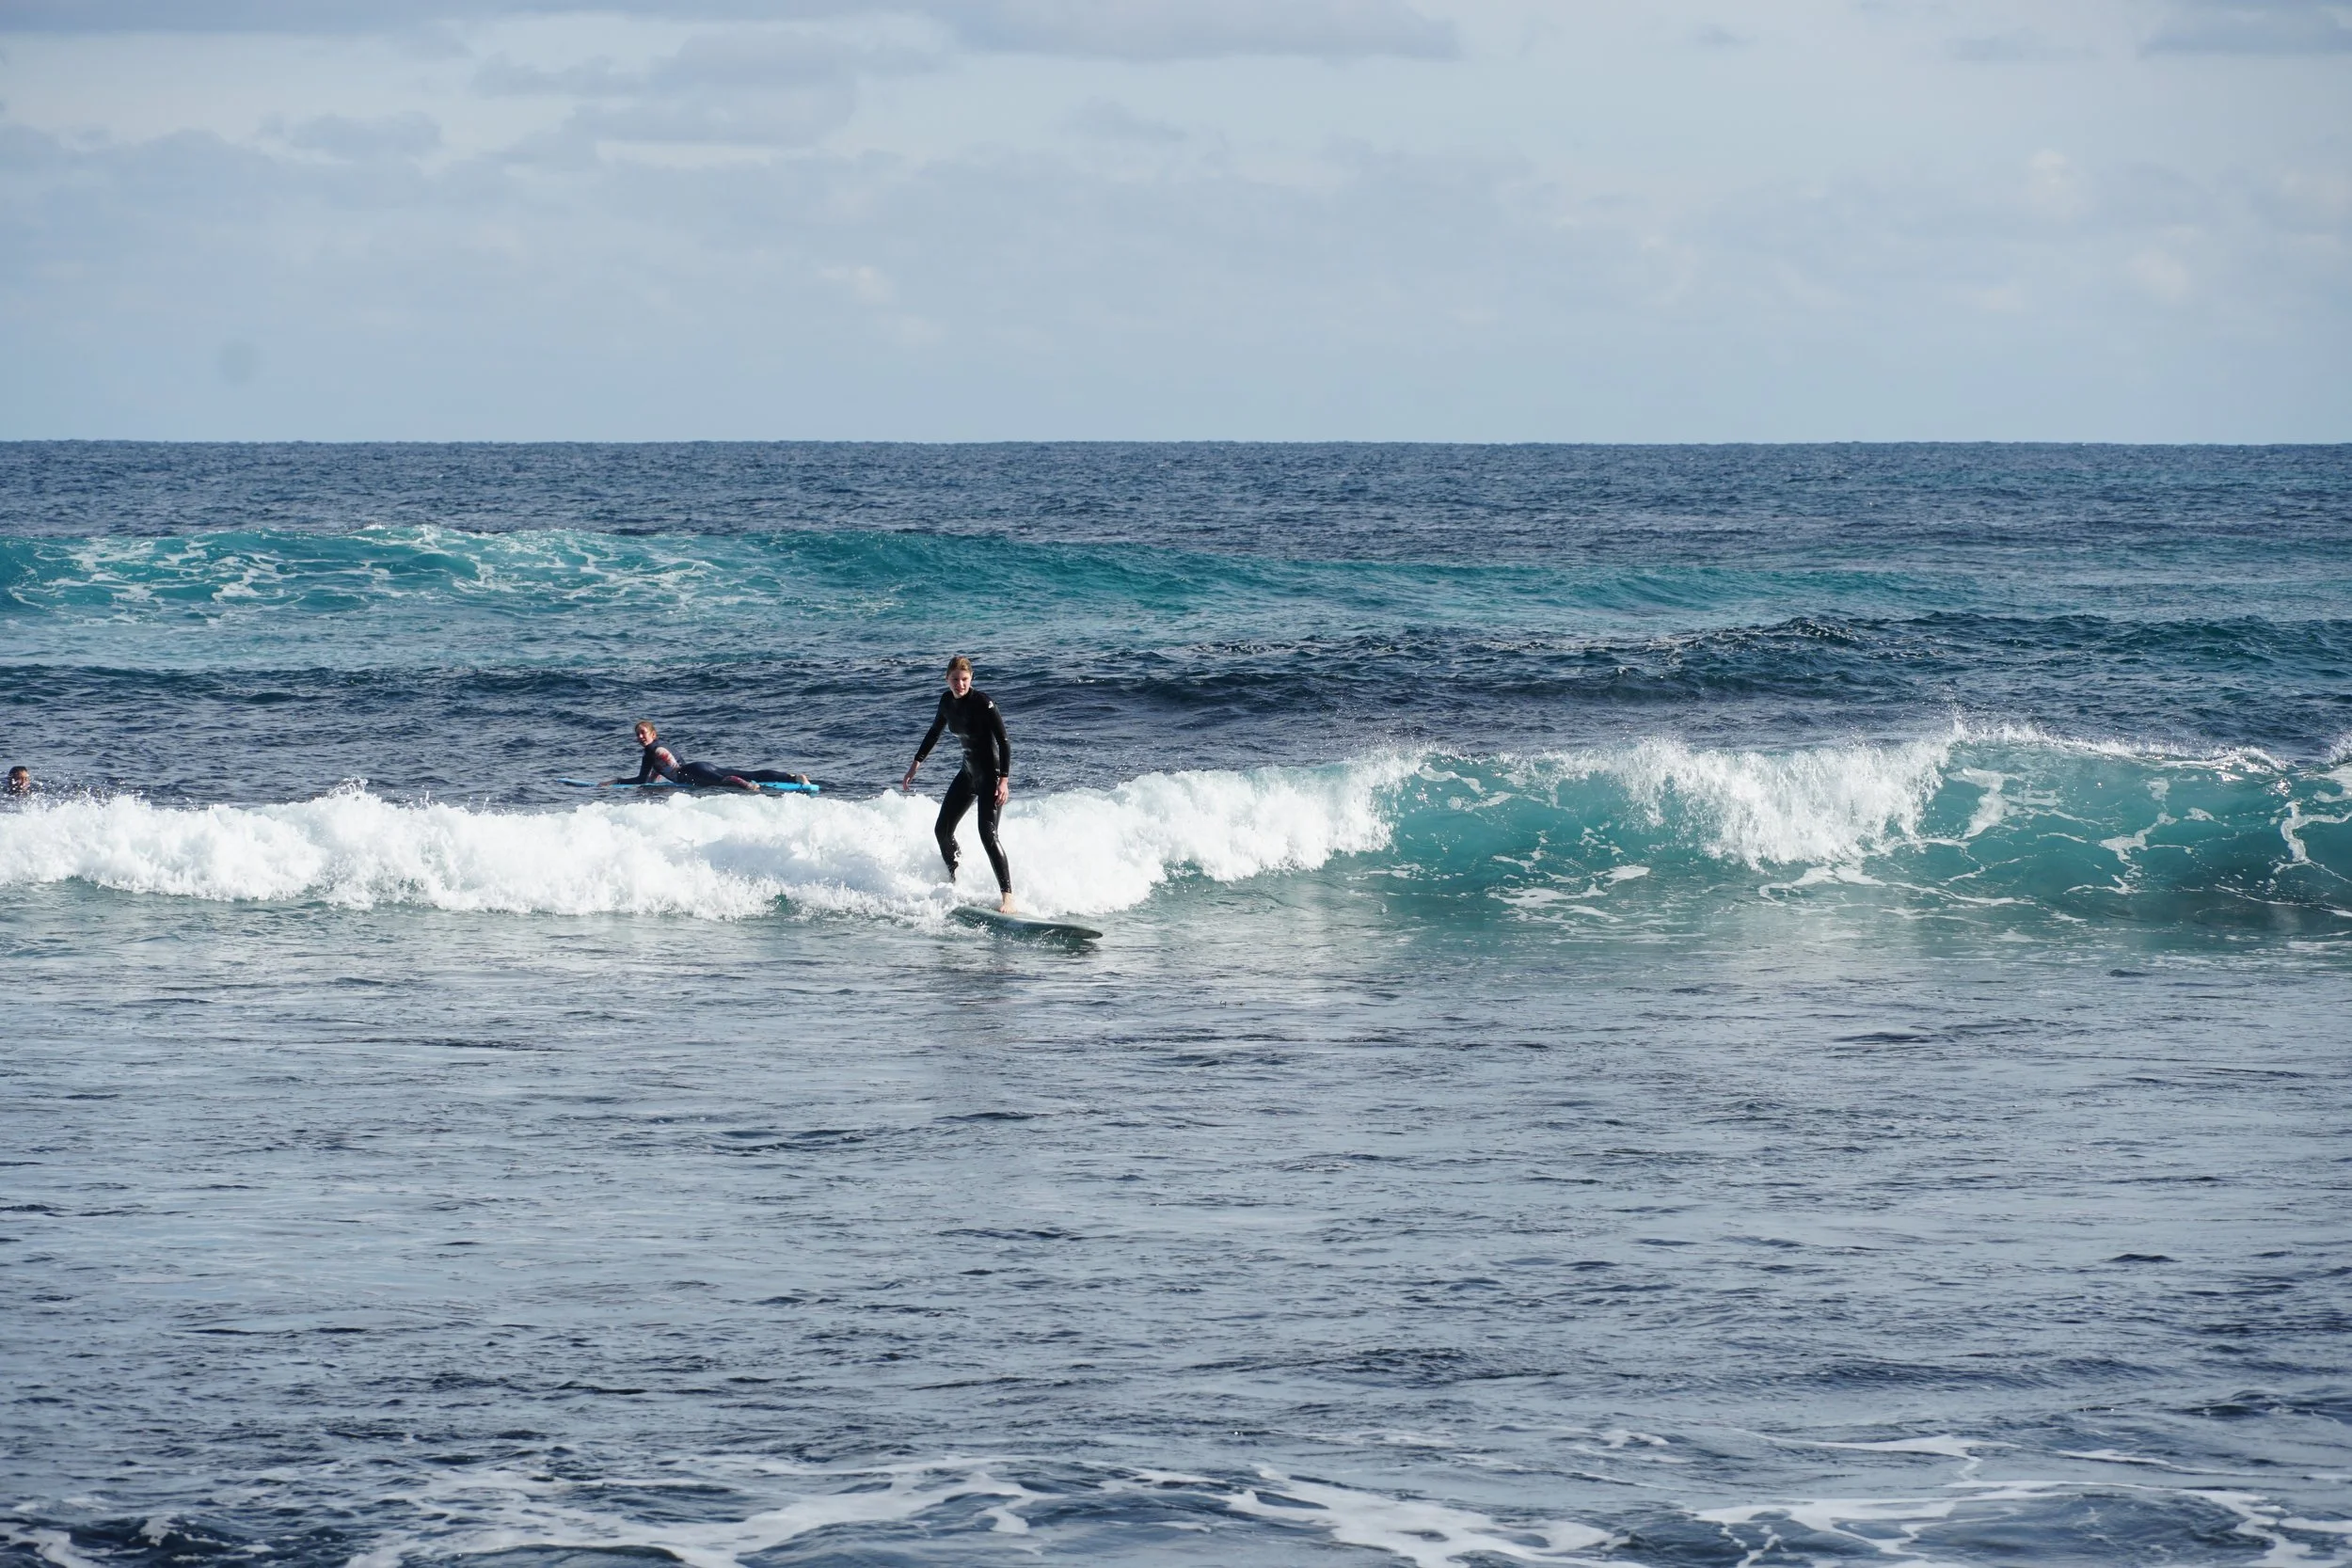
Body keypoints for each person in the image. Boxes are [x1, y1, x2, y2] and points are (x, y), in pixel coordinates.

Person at [900, 656, 1013, 912]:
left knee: (988, 835)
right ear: (947, 679)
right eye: (954, 679)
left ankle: (1008, 897)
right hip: (968, 774)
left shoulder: (984, 704)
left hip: (991, 778)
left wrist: (1004, 781)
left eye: (964, 679)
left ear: (971, 679)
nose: (959, 684)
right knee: (942, 831)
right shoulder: (946, 702)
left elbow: (1004, 742)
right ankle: (956, 879)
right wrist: (916, 764)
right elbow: (934, 732)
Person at [606, 721, 808, 793]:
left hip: (691, 774)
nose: (640, 737)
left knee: (725, 783)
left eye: (643, 733)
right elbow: (662, 769)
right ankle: (793, 778)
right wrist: (653, 784)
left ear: (653, 734)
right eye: (638, 734)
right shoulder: (663, 746)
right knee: (752, 772)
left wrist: (616, 781)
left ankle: (745, 785)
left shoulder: (650, 752)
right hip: (699, 766)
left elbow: (641, 779)